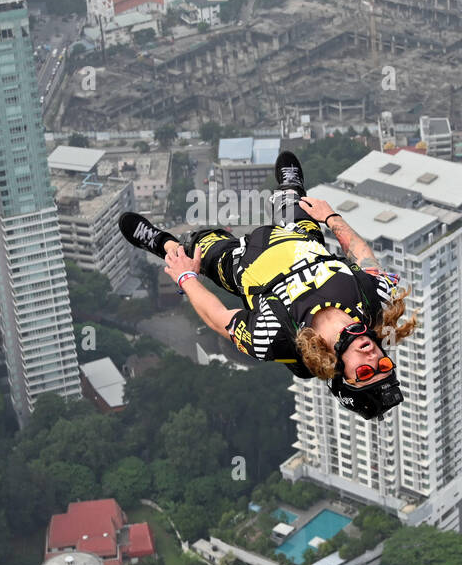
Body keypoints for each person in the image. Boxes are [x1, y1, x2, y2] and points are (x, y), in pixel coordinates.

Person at [120, 151, 416, 419]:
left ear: (338, 370)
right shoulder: (375, 301)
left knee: (193, 248)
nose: (373, 358)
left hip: (242, 263)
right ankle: (290, 188)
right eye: (384, 366)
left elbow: (220, 320)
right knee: (295, 202)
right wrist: (331, 217)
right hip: (300, 239)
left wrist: (186, 277)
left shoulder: (274, 337)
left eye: (365, 372)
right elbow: (364, 258)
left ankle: (161, 243)